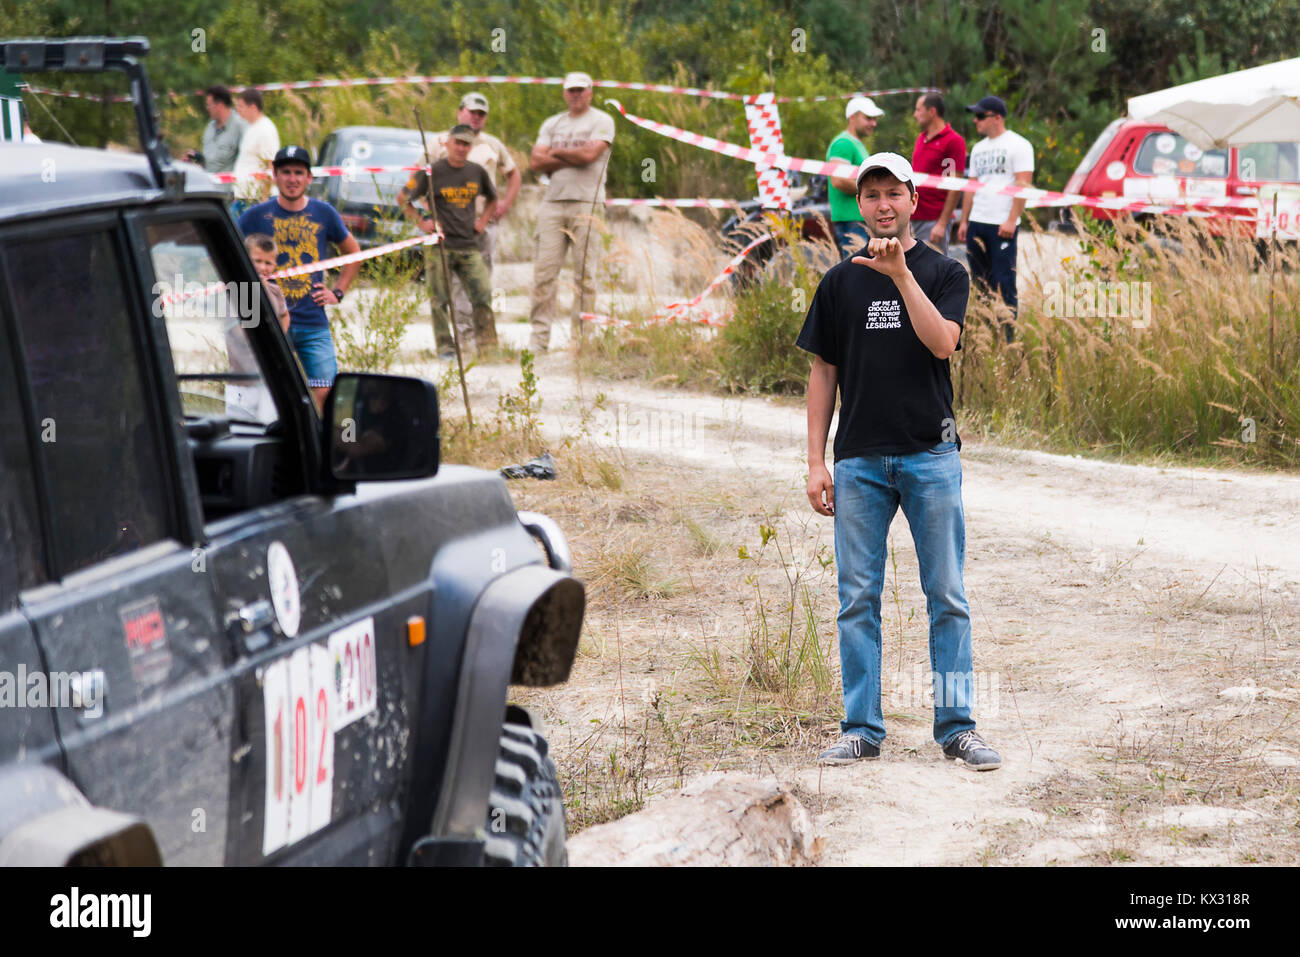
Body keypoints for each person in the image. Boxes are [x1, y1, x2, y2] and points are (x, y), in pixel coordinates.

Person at [797, 152, 1001, 772]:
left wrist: (900, 275)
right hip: (858, 460)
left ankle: (957, 728)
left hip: (930, 456)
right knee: (857, 597)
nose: (883, 205)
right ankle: (861, 729)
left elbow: (944, 342)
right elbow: (823, 371)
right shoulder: (837, 283)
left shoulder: (945, 272)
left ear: (913, 200)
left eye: (894, 193)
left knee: (947, 595)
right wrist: (815, 461)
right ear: (859, 206)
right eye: (871, 195)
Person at [238, 145, 360, 412]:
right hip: (269, 321)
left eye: (298, 173)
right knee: (267, 395)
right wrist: (245, 298)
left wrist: (337, 292)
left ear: (309, 178)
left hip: (312, 320)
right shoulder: (256, 216)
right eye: (285, 172)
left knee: (328, 393)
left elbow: (353, 253)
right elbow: (227, 252)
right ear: (275, 176)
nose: (292, 179)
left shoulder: (324, 213)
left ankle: (331, 446)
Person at [422, 92, 521, 349]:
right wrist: (429, 215)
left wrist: (503, 204)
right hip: (451, 225)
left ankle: (485, 340)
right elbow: (419, 178)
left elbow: (513, 174)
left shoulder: (492, 145)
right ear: (460, 112)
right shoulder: (439, 143)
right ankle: (462, 337)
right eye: (472, 112)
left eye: (481, 114)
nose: (476, 117)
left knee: (481, 282)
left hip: (482, 224)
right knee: (453, 283)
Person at [528, 71, 615, 352]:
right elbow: (534, 161)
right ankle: (539, 339)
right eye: (571, 90)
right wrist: (572, 154)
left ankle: (582, 340)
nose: (576, 95)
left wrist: (554, 154)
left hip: (587, 202)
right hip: (553, 203)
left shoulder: (602, 120)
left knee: (585, 275)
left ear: (590, 92)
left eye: (581, 90)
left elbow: (590, 156)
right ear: (565, 93)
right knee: (544, 273)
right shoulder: (552, 123)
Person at [397, 124, 498, 353]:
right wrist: (422, 223)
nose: (461, 148)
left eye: (466, 144)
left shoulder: (476, 171)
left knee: (482, 294)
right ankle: (445, 348)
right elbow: (402, 197)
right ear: (447, 143)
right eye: (458, 143)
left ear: (471, 147)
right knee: (439, 299)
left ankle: (488, 347)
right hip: (439, 246)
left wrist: (482, 222)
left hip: (468, 245)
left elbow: (493, 198)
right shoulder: (431, 171)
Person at [957, 95, 1034, 342]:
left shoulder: (1019, 145)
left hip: (1002, 224)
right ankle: (986, 336)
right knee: (981, 283)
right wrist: (964, 221)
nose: (975, 120)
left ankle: (1008, 337)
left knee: (1004, 283)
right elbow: (972, 186)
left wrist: (1012, 219)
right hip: (977, 222)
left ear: (997, 118)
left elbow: (1023, 185)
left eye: (980, 116)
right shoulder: (978, 149)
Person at [826, 96, 883, 260]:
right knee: (857, 273)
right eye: (868, 118)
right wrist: (873, 193)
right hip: (850, 220)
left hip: (858, 219)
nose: (873, 123)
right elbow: (838, 180)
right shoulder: (843, 143)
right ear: (852, 117)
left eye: (874, 119)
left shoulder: (855, 143)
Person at [909, 93, 966, 256]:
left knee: (935, 272)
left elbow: (955, 185)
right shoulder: (921, 138)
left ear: (932, 111)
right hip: (915, 216)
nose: (915, 114)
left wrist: (941, 223)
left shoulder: (953, 141)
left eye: (918, 110)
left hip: (934, 219)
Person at [185, 85, 246, 187]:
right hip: (208, 188)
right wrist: (196, 157)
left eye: (209, 105)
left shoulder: (241, 126)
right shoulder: (210, 127)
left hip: (230, 193)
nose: (207, 108)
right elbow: (209, 160)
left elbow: (248, 160)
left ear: (220, 105)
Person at [232, 88, 281, 213]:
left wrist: (263, 200)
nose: (238, 110)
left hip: (256, 199)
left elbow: (271, 165)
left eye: (241, 106)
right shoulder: (252, 127)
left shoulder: (266, 129)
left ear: (253, 107)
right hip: (245, 196)